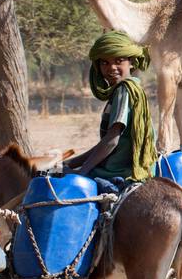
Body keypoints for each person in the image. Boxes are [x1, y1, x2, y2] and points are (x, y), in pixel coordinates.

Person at [66, 30, 158, 184]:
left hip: (120, 171)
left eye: (119, 60)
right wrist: (72, 163)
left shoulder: (124, 90)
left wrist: (81, 172)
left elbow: (112, 140)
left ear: (132, 62)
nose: (112, 67)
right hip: (128, 167)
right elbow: (110, 142)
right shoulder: (134, 87)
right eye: (104, 63)